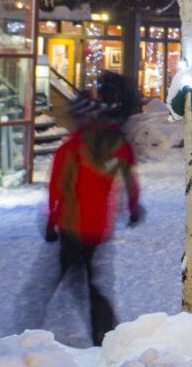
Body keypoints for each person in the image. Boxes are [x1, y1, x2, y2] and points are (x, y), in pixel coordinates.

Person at [38, 97, 143, 345]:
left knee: (60, 278)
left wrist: (51, 221)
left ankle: (31, 328)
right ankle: (103, 330)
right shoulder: (117, 145)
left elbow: (57, 188)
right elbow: (129, 176)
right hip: (99, 226)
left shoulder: (70, 148)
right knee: (86, 279)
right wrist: (133, 206)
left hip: (71, 224)